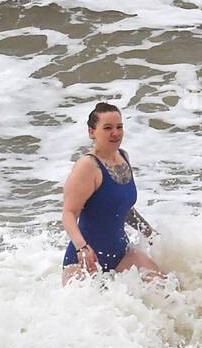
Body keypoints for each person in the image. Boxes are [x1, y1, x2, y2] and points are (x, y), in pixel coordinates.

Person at [61, 102, 166, 285]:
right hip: (86, 261)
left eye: (119, 127)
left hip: (122, 255)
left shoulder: (123, 157)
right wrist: (81, 248)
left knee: (170, 290)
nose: (115, 133)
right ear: (92, 132)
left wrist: (148, 232)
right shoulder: (87, 166)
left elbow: (121, 207)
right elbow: (69, 213)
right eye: (108, 128)